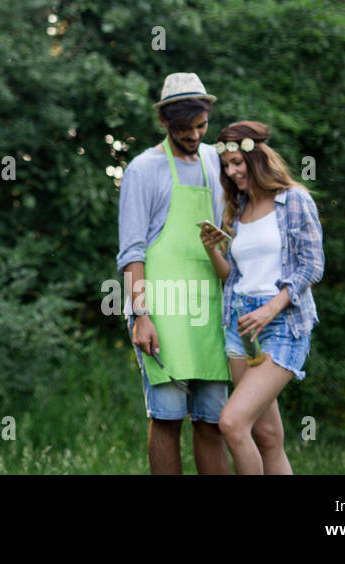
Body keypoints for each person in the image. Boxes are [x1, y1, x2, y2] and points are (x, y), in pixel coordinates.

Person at [117, 72, 230, 474]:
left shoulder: (217, 161)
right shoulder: (143, 169)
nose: (195, 135)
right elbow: (131, 251)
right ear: (164, 123)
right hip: (162, 312)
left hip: (210, 310)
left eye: (201, 126)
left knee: (213, 421)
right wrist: (141, 315)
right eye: (185, 129)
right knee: (166, 417)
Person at [198, 120, 324, 475]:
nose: (232, 171)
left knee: (232, 423)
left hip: (282, 325)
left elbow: (312, 266)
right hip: (241, 326)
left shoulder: (294, 200)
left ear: (257, 159)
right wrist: (212, 251)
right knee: (266, 435)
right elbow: (233, 278)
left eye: (238, 162)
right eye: (227, 165)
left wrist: (272, 308)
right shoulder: (237, 209)